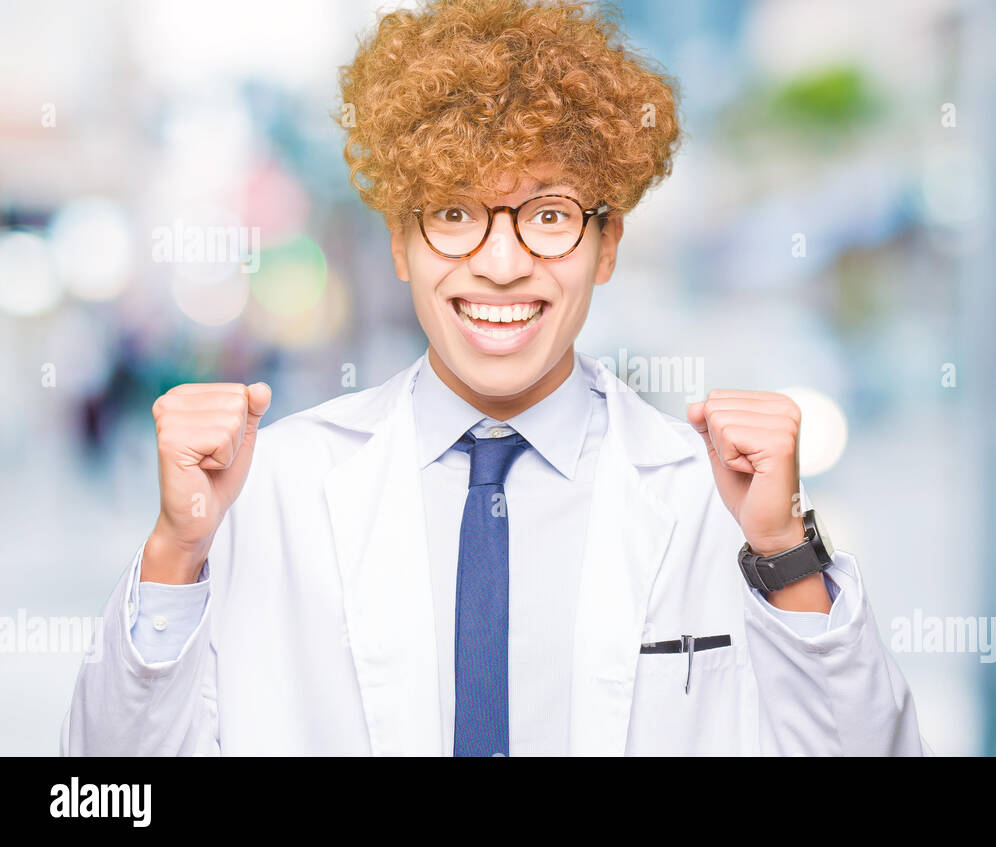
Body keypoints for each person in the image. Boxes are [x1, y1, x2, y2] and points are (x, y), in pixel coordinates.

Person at [61, 0, 929, 756]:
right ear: (399, 243)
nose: (503, 262)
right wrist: (175, 552)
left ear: (608, 243)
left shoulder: (716, 501)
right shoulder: (269, 491)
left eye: (549, 215)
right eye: (453, 215)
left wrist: (783, 555)